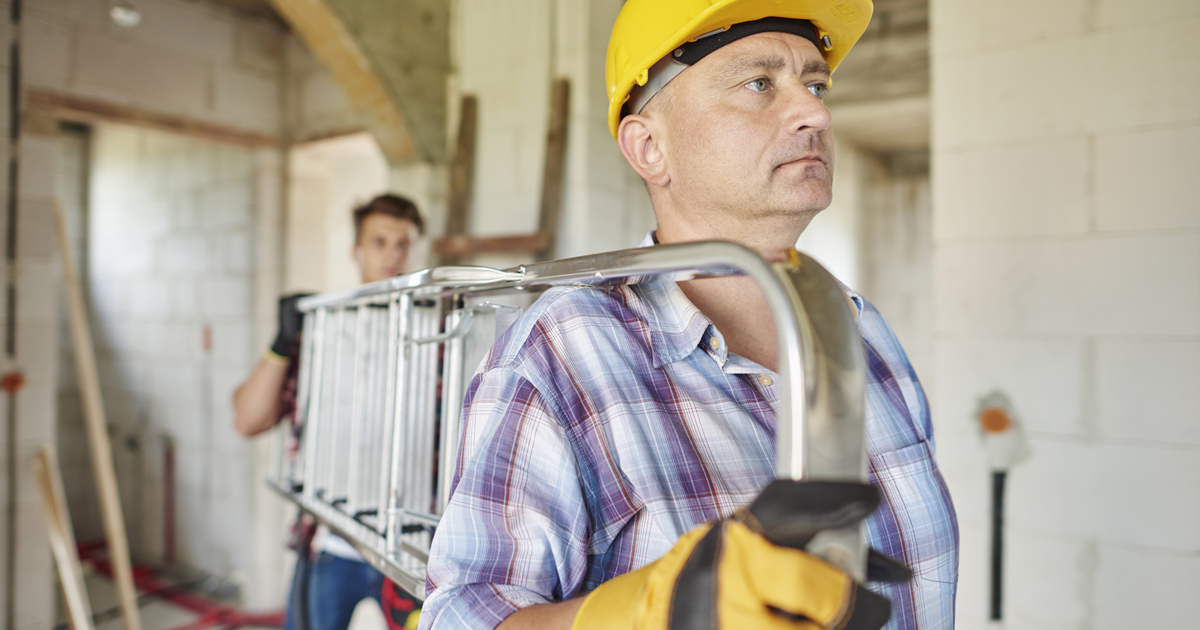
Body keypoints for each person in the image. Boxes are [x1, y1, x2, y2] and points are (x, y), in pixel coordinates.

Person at [420, 1, 958, 629]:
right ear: (650, 147)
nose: (817, 114)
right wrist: (651, 611)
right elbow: (458, 616)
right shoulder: (564, 352)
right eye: (759, 83)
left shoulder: (860, 331)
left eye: (815, 85)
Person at [233, 193, 426, 630]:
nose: (392, 255)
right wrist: (281, 342)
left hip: (413, 549)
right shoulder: (324, 328)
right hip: (331, 542)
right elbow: (248, 419)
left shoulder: (440, 327)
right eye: (379, 242)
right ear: (356, 251)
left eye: (403, 244)